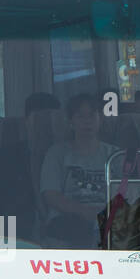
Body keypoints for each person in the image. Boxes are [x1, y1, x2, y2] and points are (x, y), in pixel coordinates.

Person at [40, 93, 118, 247]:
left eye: (91, 115)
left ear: (100, 119)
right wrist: (85, 212)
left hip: (110, 218)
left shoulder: (115, 155)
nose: (87, 121)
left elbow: (125, 192)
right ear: (70, 122)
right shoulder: (56, 153)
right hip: (67, 219)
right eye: (80, 116)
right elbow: (50, 194)